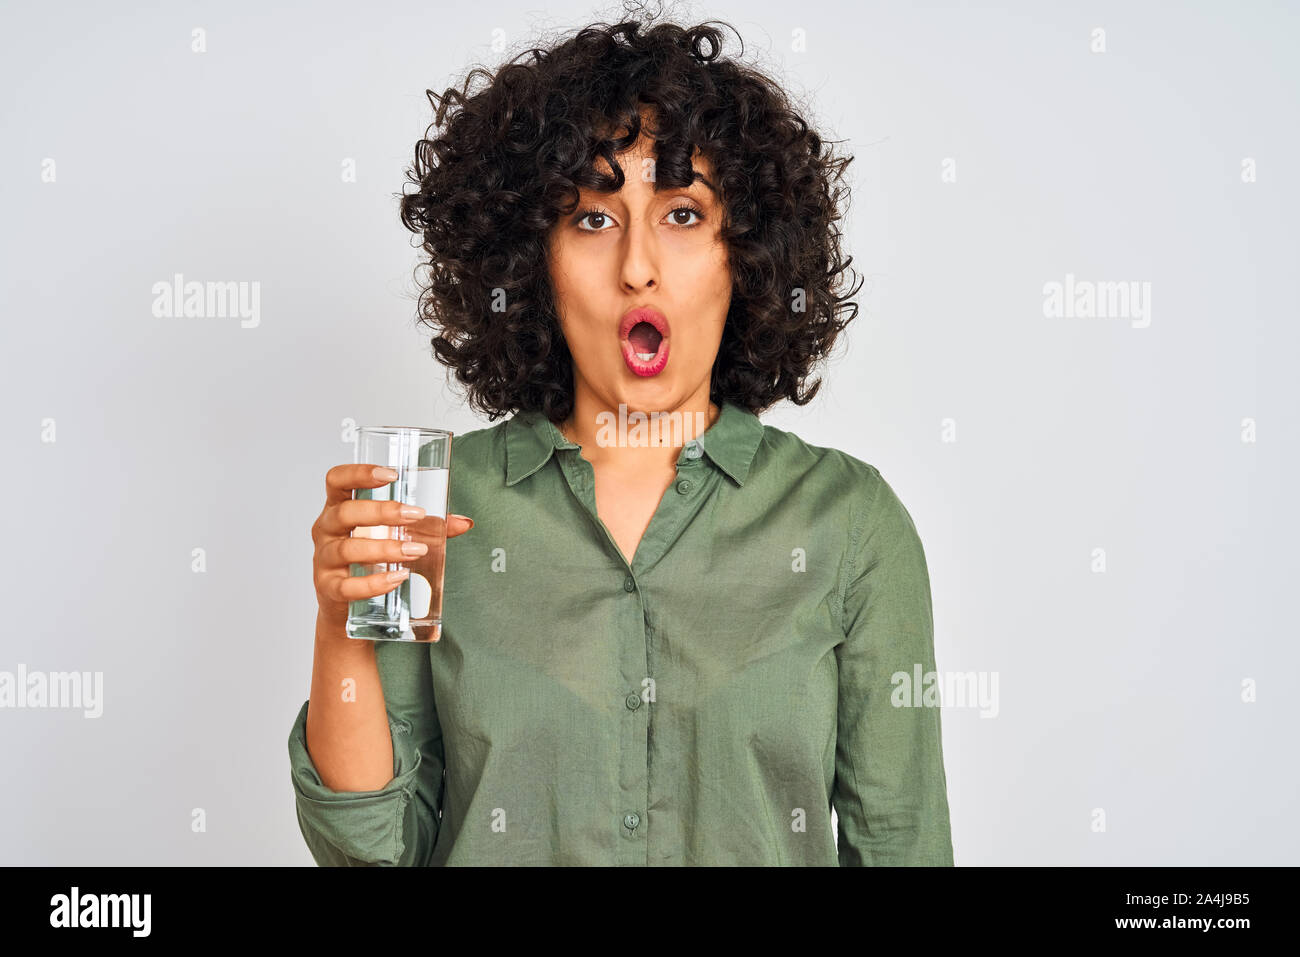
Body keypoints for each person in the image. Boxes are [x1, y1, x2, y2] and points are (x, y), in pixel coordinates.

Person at [288, 16, 954, 866]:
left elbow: (902, 845)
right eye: (594, 220)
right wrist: (341, 622)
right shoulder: (437, 505)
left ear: (742, 255)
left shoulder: (851, 525)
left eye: (682, 213)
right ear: (534, 261)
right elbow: (373, 850)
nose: (639, 265)